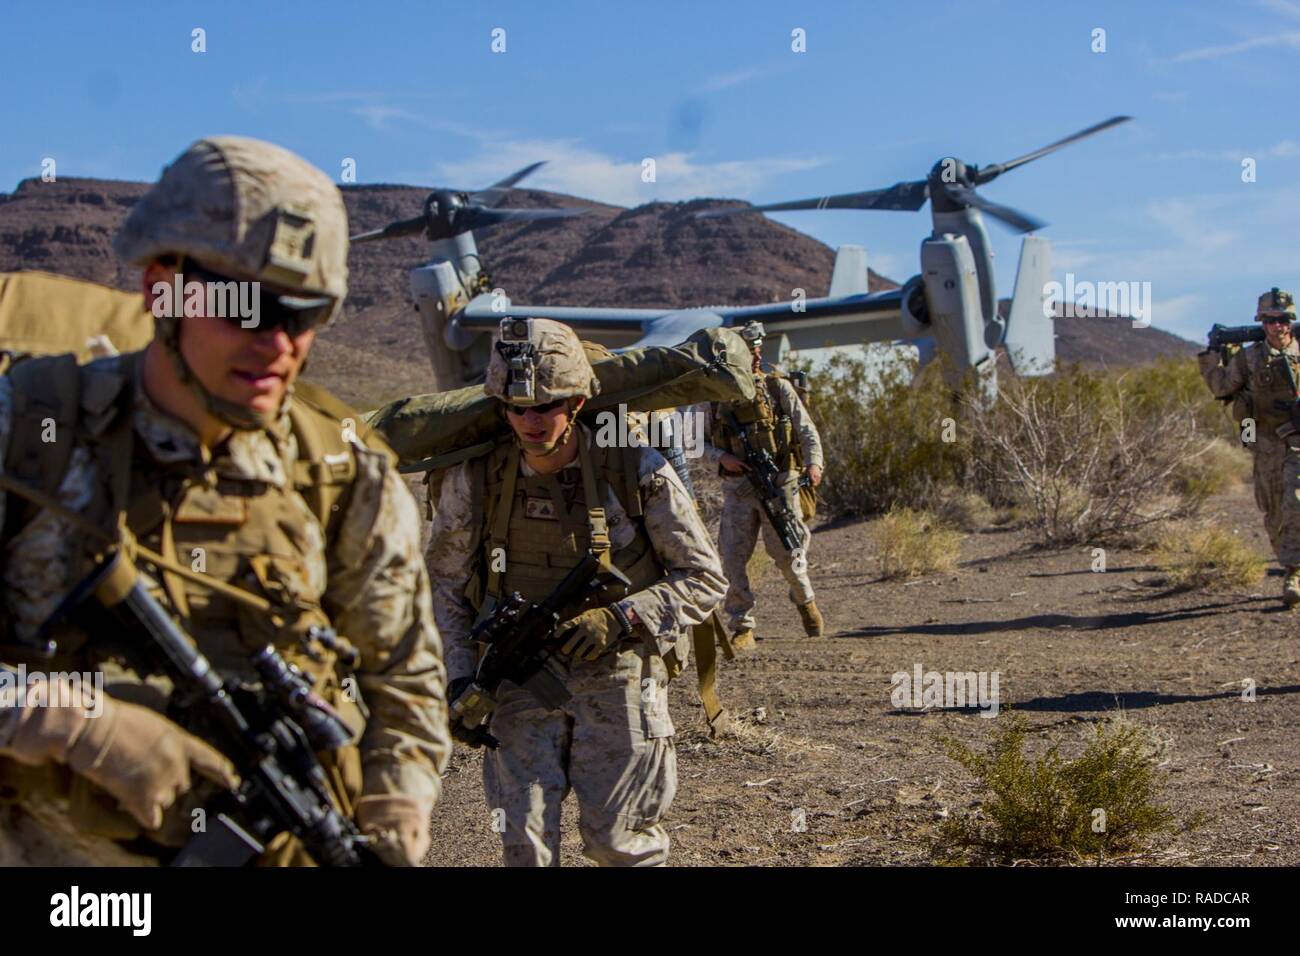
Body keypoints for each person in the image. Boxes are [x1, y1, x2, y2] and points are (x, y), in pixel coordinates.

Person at [0, 136, 449, 865]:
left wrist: (399, 804)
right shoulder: (27, 428)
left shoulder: (342, 472)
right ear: (160, 288)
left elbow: (404, 676)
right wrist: (79, 726)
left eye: (304, 315)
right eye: (247, 305)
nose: (277, 342)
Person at [426, 317, 725, 866]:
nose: (531, 420)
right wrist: (460, 677)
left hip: (618, 674)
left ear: (580, 402)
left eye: (547, 405)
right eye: (517, 408)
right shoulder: (476, 479)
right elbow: (443, 583)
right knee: (526, 847)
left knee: (619, 844)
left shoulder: (633, 466)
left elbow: (704, 577)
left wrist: (623, 618)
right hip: (517, 678)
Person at [703, 321, 825, 642]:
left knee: (789, 551)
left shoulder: (777, 388)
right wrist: (721, 458)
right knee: (732, 558)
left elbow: (806, 429)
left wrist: (814, 464)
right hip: (738, 488)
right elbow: (694, 443)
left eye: (758, 348)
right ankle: (742, 625)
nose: (755, 356)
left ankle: (805, 600)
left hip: (779, 484)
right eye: (748, 350)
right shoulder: (716, 398)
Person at [1200, 287, 1300, 606]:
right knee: (1273, 512)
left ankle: (1295, 573)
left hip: (1298, 442)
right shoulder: (1250, 357)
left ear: (1291, 321)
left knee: (1296, 502)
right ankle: (1289, 563)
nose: (1277, 326)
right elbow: (1222, 387)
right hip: (1266, 443)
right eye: (1270, 320)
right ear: (1262, 322)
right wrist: (1211, 355)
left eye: (1283, 319)